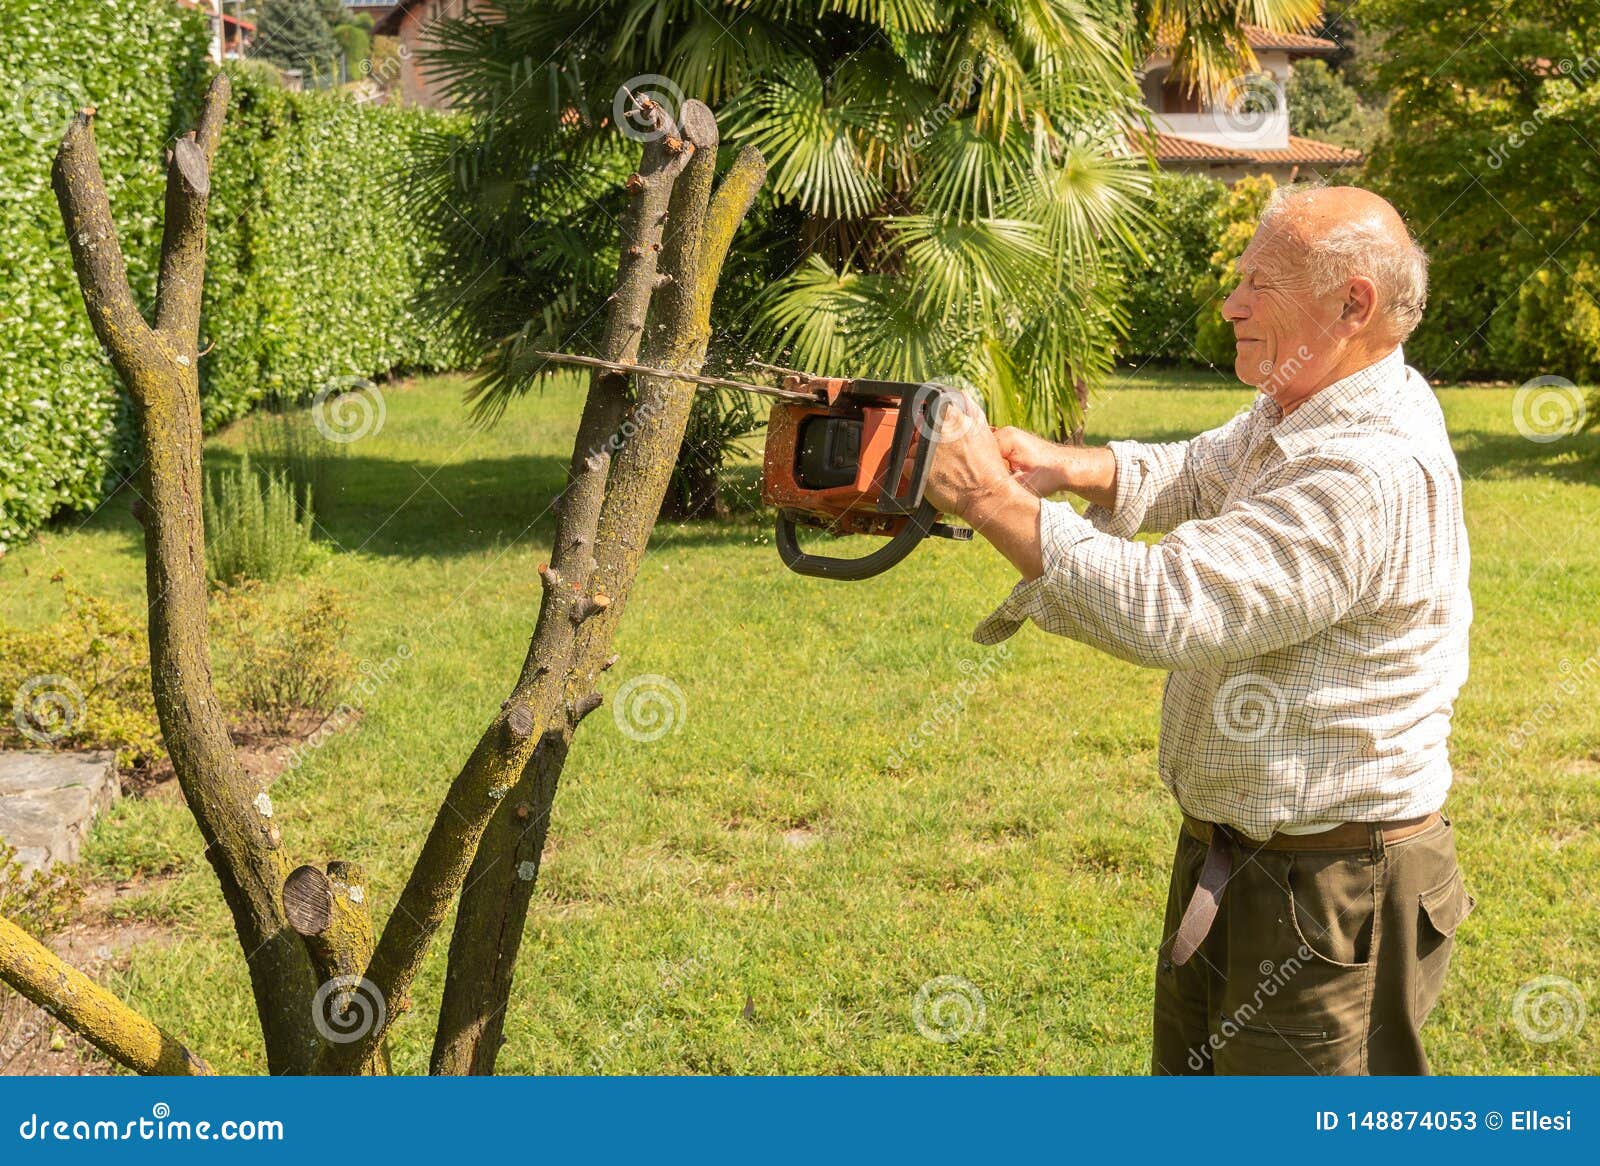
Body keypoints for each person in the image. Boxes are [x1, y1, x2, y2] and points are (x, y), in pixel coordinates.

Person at [924, 185, 1475, 1075]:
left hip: (1329, 886)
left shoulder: (1368, 468)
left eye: (1260, 283)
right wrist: (1074, 467)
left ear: (1352, 304)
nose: (1232, 303)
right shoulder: (1305, 402)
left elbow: (1171, 601)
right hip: (1250, 858)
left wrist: (991, 499)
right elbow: (1202, 467)